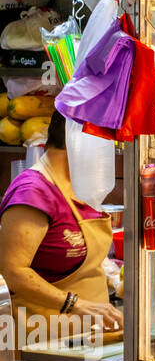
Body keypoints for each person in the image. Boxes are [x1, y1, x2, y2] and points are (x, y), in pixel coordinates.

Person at [0, 111, 122, 345]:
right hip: (45, 344)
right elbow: (13, 271)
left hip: (91, 341)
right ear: (80, 140)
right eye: (104, 140)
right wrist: (75, 304)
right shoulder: (32, 191)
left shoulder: (82, 185)